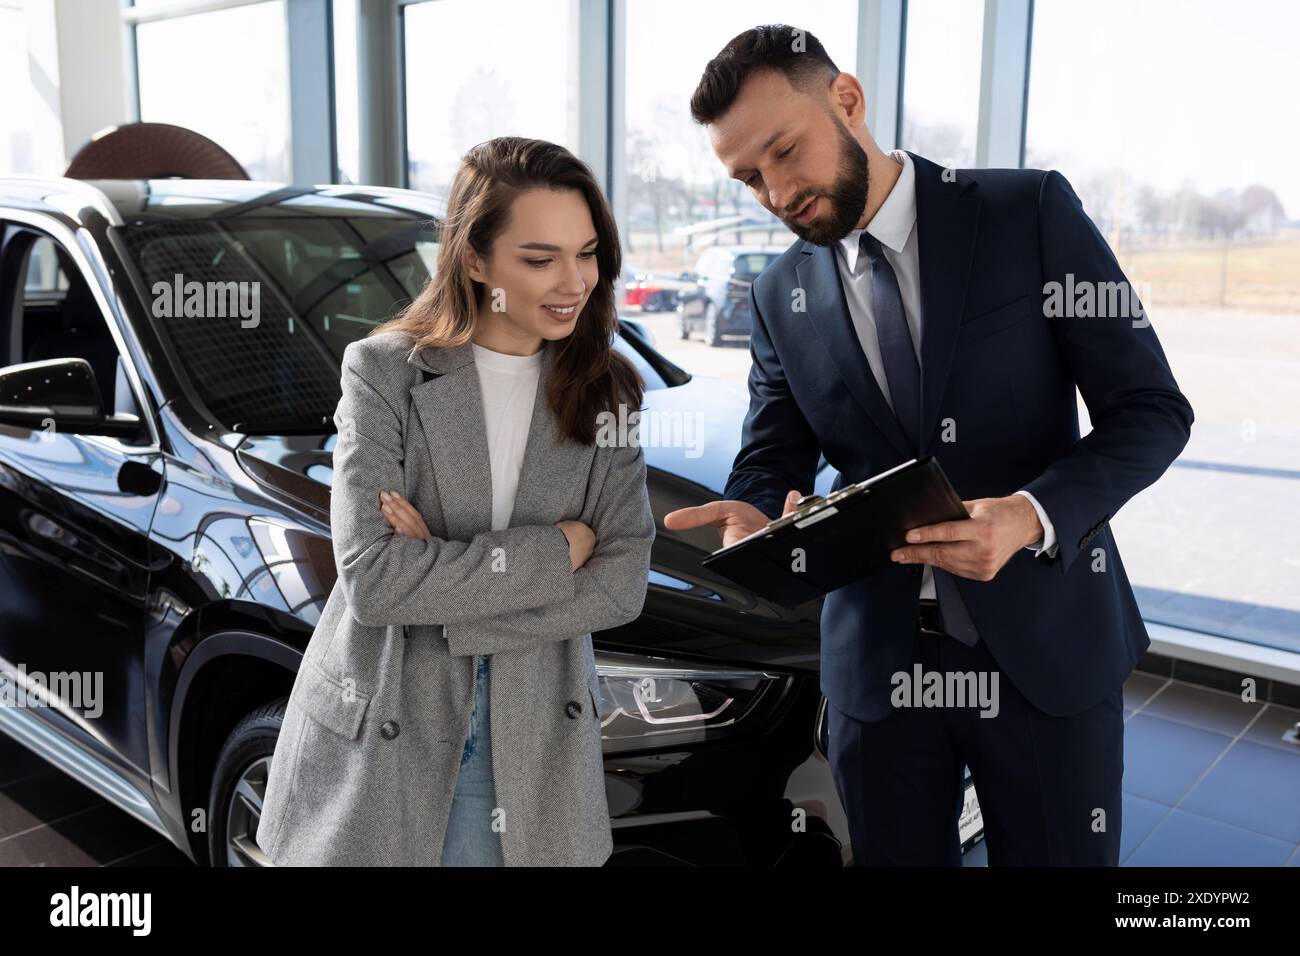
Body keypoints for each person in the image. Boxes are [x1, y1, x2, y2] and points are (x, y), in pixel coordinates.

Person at [665, 25, 1193, 865]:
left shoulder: (1029, 213)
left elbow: (1153, 410)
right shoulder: (777, 293)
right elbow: (775, 454)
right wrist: (758, 510)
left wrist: (1031, 515)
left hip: (1044, 652)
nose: (776, 191)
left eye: (785, 151)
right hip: (877, 672)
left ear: (847, 100)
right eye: (748, 178)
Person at [255, 136, 656, 866]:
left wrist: (439, 577)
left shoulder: (609, 391)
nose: (575, 282)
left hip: (532, 732)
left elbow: (622, 582)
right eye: (540, 259)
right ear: (475, 260)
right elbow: (374, 582)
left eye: (587, 252)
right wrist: (558, 551)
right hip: (391, 716)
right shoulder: (384, 372)